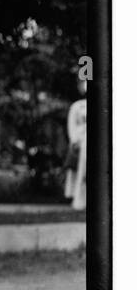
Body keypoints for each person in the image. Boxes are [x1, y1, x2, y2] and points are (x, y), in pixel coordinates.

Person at [65, 78, 87, 210]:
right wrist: (74, 141)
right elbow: (72, 125)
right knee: (81, 172)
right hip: (82, 141)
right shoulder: (77, 106)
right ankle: (80, 200)